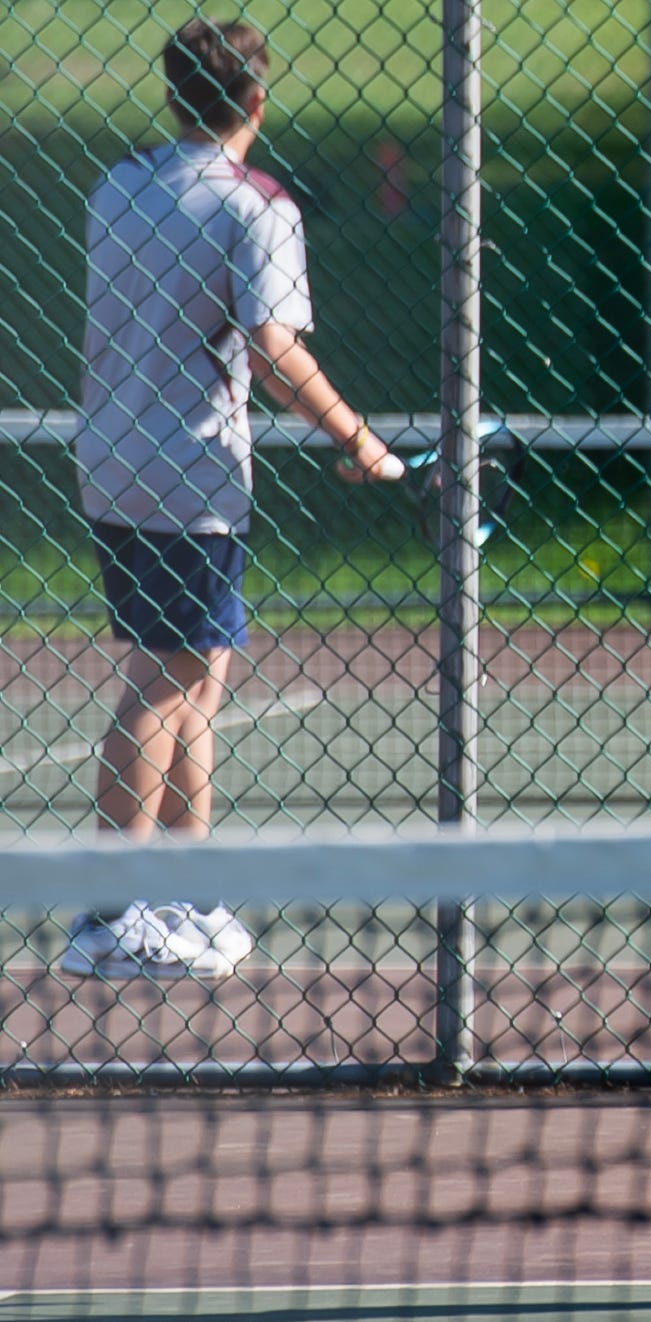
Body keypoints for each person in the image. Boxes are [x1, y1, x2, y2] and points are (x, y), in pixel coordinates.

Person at [62, 18, 403, 980]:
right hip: (189, 474)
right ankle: (105, 918)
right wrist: (358, 439)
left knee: (198, 681)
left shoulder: (118, 184)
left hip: (115, 459)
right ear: (258, 98)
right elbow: (272, 346)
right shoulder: (257, 206)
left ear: (174, 93)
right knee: (163, 682)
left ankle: (188, 896)